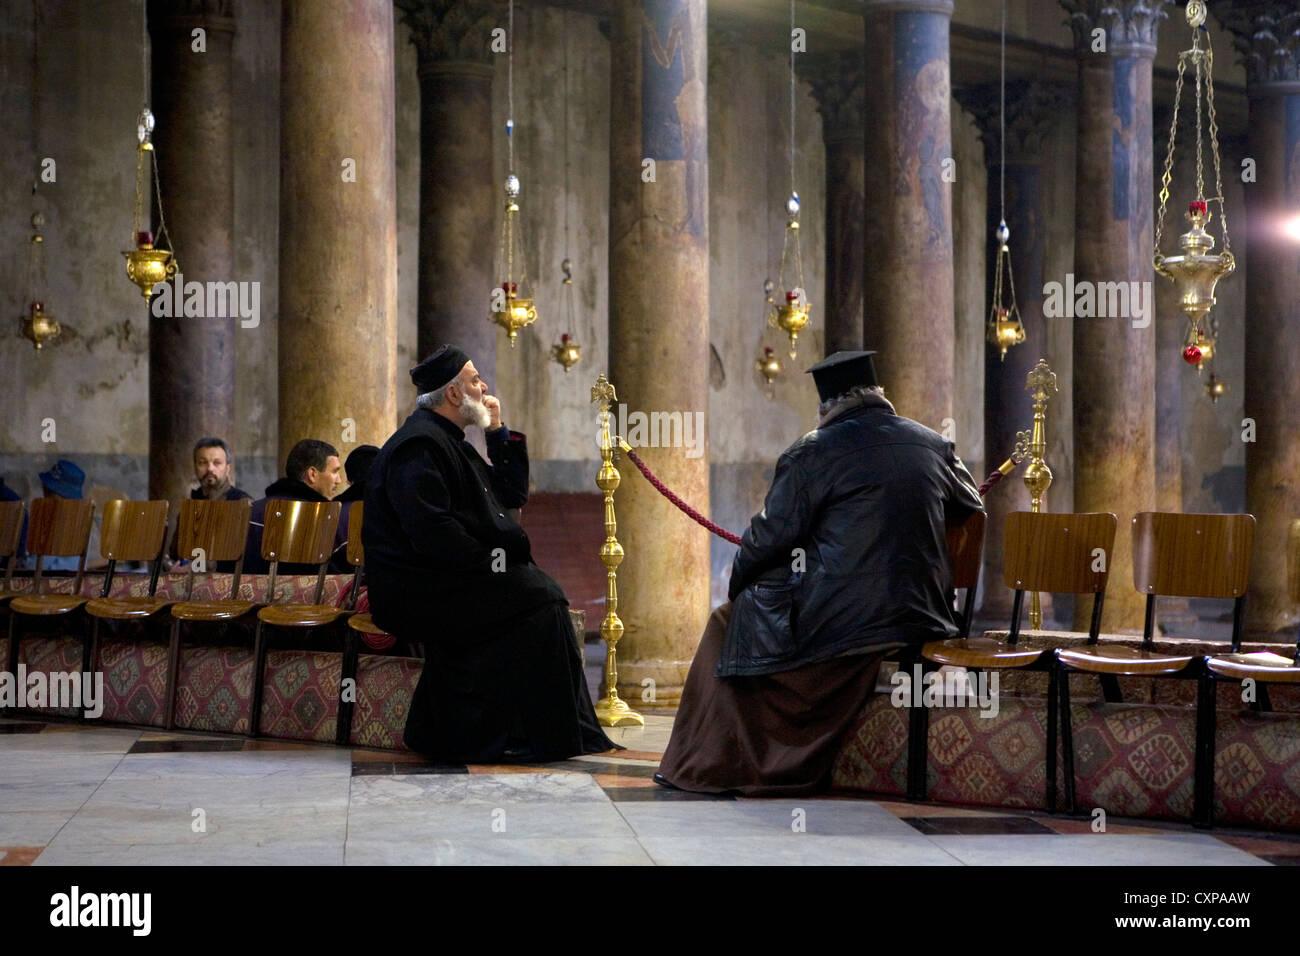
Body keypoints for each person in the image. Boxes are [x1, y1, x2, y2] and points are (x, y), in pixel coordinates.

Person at [656, 350, 984, 796]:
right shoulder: (932, 444)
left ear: (826, 408)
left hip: (847, 624)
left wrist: (742, 586)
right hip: (923, 614)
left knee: (726, 622)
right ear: (878, 396)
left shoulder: (812, 451)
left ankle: (709, 764)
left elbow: (767, 539)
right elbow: (971, 511)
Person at [363, 345, 615, 763]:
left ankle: (541, 733)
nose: (484, 387)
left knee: (540, 595)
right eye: (475, 380)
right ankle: (526, 735)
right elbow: (433, 534)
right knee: (540, 598)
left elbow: (510, 496)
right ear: (454, 394)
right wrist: (492, 566)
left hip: (448, 578)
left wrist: (497, 431)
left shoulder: (449, 440)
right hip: (417, 589)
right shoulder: (418, 447)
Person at [242, 439, 346, 575]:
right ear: (312, 474)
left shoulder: (249, 512)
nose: (338, 480)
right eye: (334, 472)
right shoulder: (322, 518)